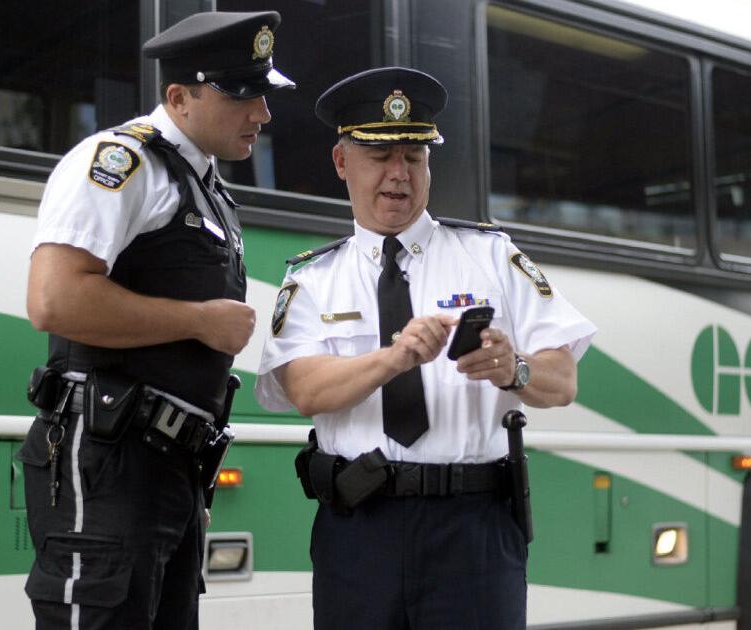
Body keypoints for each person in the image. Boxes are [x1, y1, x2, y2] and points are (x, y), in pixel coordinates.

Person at [255, 67, 596, 630]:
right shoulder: (314, 279)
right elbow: (305, 390)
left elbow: (562, 381)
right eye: (380, 156)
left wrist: (516, 369)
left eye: (414, 157)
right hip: (359, 529)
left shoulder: (491, 256)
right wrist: (395, 357)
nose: (399, 175)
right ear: (343, 163)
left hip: (474, 531)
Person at [17, 11, 294, 630]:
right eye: (244, 94)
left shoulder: (206, 184)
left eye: (265, 95)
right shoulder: (121, 162)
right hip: (112, 461)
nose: (263, 115)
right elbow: (54, 301)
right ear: (179, 96)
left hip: (170, 469)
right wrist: (198, 321)